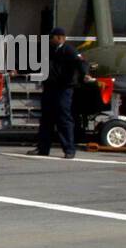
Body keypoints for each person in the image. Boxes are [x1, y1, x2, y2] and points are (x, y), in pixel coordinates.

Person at [28, 27, 87, 159]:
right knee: (46, 119)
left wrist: (85, 74)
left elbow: (81, 62)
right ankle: (43, 148)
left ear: (59, 37)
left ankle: (69, 150)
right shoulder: (50, 50)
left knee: (63, 118)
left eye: (52, 37)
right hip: (50, 87)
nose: (50, 40)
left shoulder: (69, 50)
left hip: (64, 89)